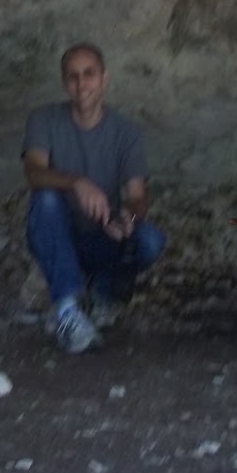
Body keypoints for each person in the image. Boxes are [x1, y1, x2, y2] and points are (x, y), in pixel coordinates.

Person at [23, 43, 167, 354]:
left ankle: (103, 291)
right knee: (45, 199)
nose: (81, 84)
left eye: (89, 74)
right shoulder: (44, 120)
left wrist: (127, 217)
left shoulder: (126, 133)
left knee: (150, 240)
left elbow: (138, 196)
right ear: (64, 83)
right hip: (58, 233)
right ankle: (68, 310)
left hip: (103, 233)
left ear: (104, 79)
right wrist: (77, 182)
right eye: (72, 76)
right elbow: (34, 172)